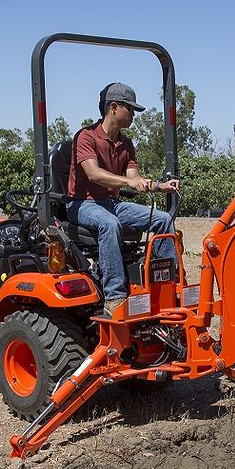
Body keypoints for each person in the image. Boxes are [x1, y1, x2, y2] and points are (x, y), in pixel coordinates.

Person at [66, 82, 180, 312]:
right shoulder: (86, 137)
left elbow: (133, 178)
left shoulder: (126, 144)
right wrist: (128, 182)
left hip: (112, 204)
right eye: (131, 109)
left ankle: (169, 283)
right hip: (82, 204)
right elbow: (93, 174)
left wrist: (160, 186)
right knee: (110, 224)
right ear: (114, 107)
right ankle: (114, 296)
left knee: (163, 219)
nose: (134, 115)